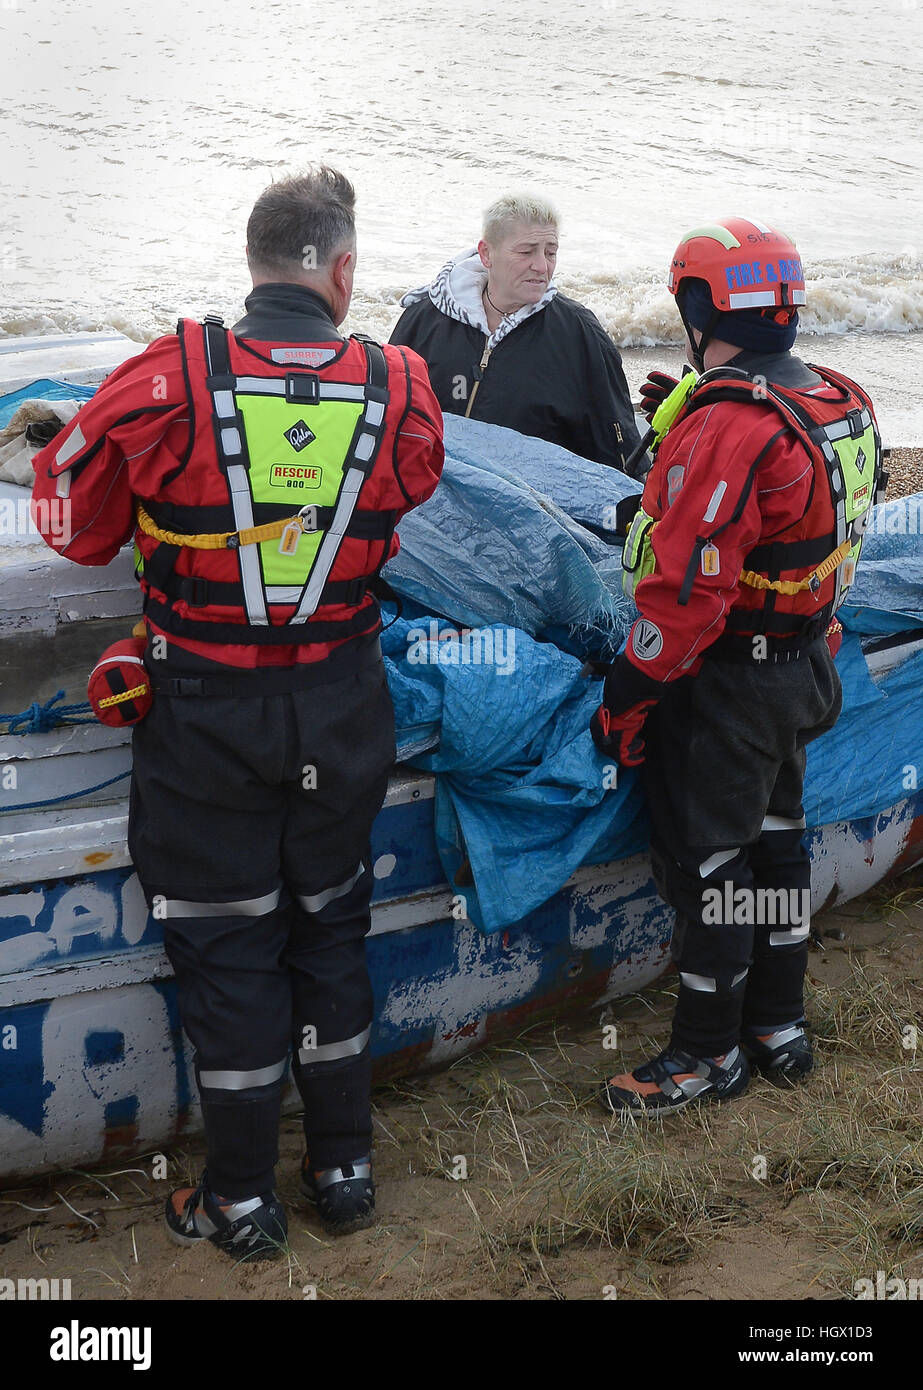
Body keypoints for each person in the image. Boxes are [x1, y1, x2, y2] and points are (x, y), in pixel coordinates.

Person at [30, 167, 445, 1257]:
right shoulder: (401, 382)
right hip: (342, 705)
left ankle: (241, 1198)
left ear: (254, 259)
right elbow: (407, 494)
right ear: (342, 271)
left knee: (227, 947)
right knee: (329, 928)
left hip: (208, 717)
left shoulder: (161, 377)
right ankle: (345, 1170)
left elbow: (72, 524)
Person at [590, 218, 885, 1114]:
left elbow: (683, 599)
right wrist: (685, 410)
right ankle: (777, 1024)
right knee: (778, 840)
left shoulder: (729, 425)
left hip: (726, 683)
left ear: (694, 306)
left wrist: (626, 700)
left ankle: (703, 1055)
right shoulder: (841, 399)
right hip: (802, 666)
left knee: (714, 863)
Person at [389, 193, 641, 470]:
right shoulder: (423, 319)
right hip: (428, 499)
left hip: (539, 504)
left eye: (550, 252)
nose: (542, 266)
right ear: (486, 254)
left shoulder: (581, 335)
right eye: (526, 251)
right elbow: (390, 422)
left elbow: (618, 453)